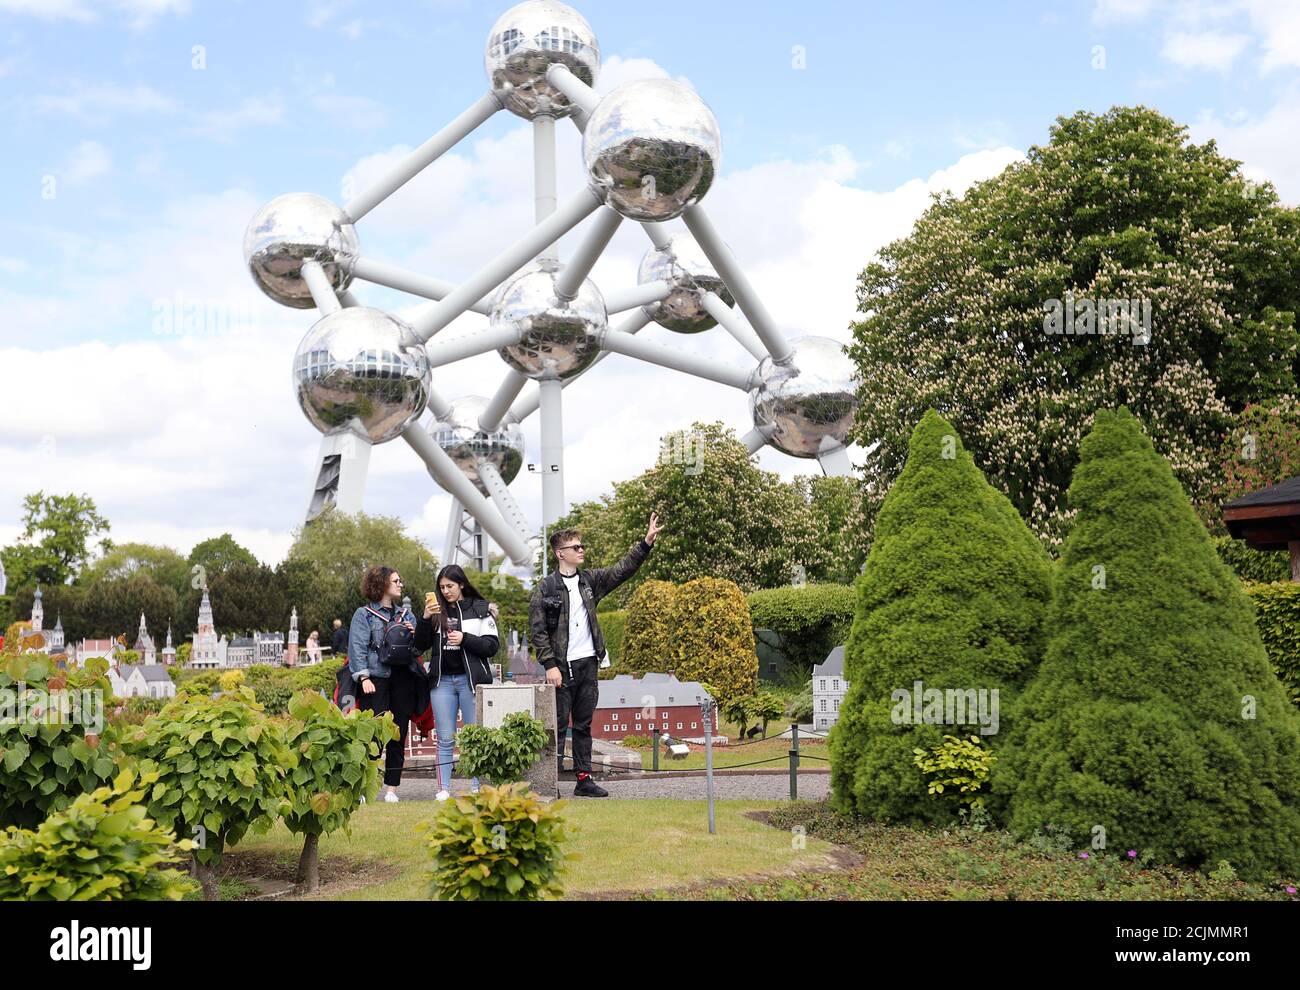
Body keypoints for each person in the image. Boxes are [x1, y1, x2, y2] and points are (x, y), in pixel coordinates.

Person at [529, 512, 663, 797]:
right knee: (556, 726)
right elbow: (538, 630)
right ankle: (548, 783)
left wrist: (646, 543)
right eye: (575, 547)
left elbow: (622, 570)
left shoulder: (590, 581)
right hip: (561, 667)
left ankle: (583, 779)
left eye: (581, 545)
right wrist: (550, 665)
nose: (581, 550)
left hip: (588, 663)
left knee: (583, 724)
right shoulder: (546, 587)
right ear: (559, 553)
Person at [415, 565, 499, 802]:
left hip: (470, 681)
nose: (446, 591)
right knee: (444, 737)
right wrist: (424, 617)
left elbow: (492, 647)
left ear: (461, 584)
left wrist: (465, 639)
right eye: (441, 588)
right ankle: (443, 789)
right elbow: (418, 646)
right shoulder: (435, 612)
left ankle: (476, 785)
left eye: (450, 586)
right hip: (442, 682)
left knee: (475, 736)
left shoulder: (481, 609)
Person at [348, 566, 425, 803]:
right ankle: (365, 788)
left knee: (397, 734)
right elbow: (357, 646)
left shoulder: (407, 615)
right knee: (372, 735)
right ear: (381, 585)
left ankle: (391, 789)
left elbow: (417, 650)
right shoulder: (365, 614)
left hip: (403, 678)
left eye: (400, 580)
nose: (401, 584)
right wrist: (364, 678)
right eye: (395, 581)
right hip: (376, 678)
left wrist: (414, 635)